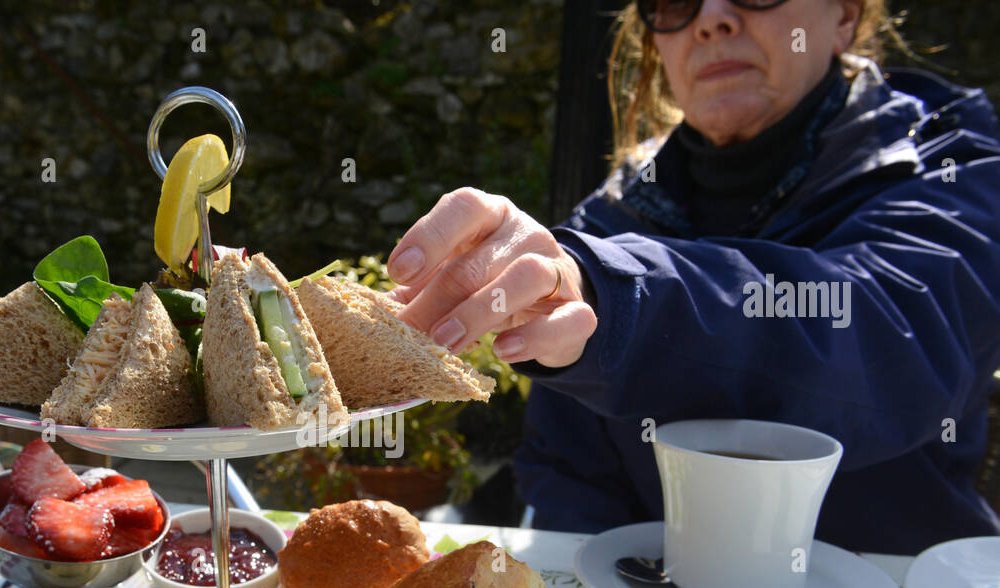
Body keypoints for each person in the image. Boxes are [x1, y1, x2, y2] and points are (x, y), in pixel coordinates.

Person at [386, 0, 1000, 555]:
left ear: (844, 15)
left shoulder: (949, 159)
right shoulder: (610, 214)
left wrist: (617, 299)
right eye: (674, 3)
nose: (711, 17)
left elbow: (885, 335)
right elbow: (568, 472)